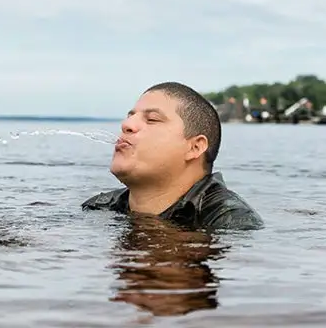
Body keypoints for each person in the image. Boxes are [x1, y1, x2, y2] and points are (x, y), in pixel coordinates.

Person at [82, 81, 264, 230]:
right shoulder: (98, 207)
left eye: (152, 119)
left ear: (194, 147)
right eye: (130, 116)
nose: (127, 124)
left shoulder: (231, 221)